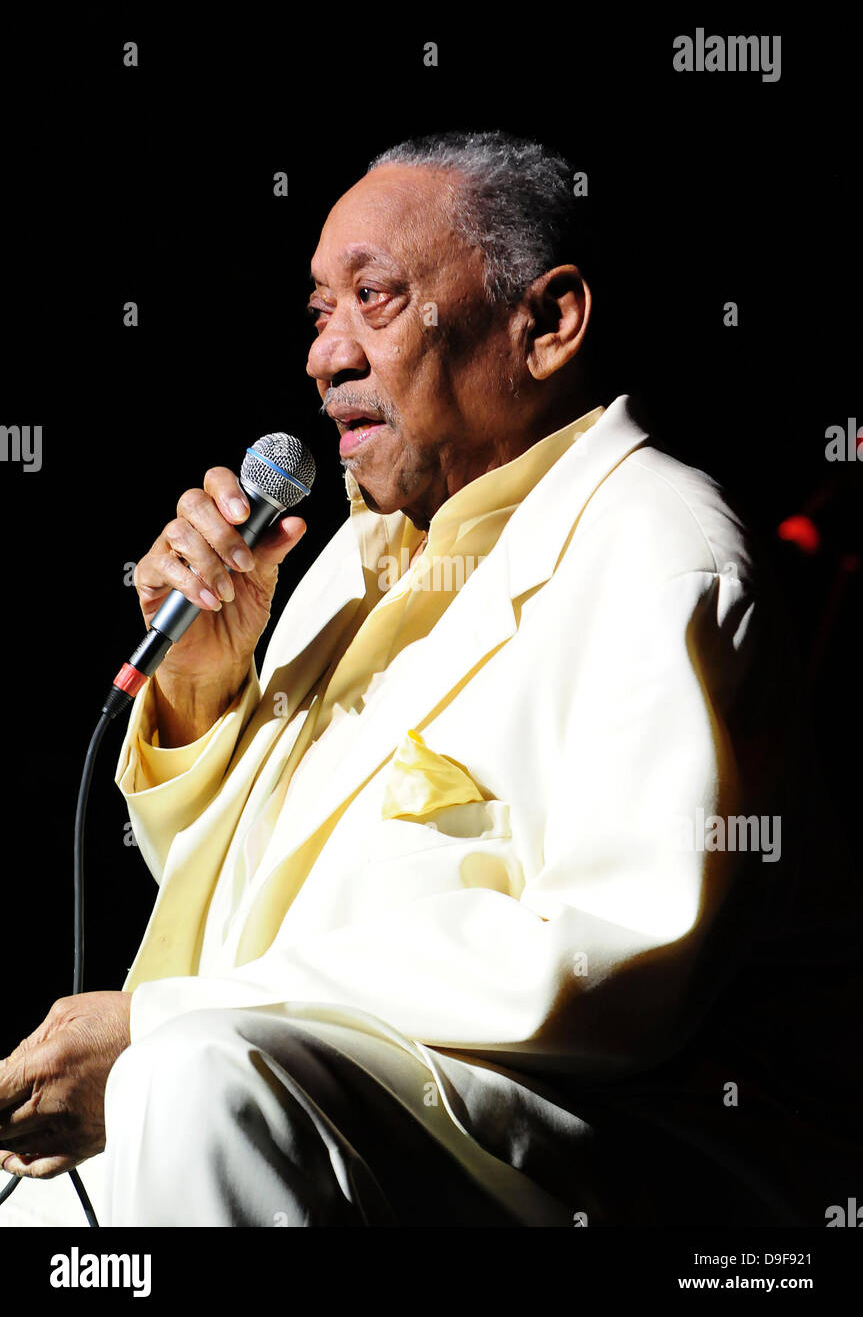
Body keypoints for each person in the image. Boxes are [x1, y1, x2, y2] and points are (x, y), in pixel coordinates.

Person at [1, 132, 859, 1227]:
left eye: (375, 297)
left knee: (190, 1080)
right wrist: (208, 690)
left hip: (611, 1155)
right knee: (38, 1194)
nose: (325, 356)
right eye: (318, 311)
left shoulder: (661, 549)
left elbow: (610, 965)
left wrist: (165, 1021)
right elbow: (237, 920)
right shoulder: (354, 559)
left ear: (545, 325)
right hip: (325, 1100)